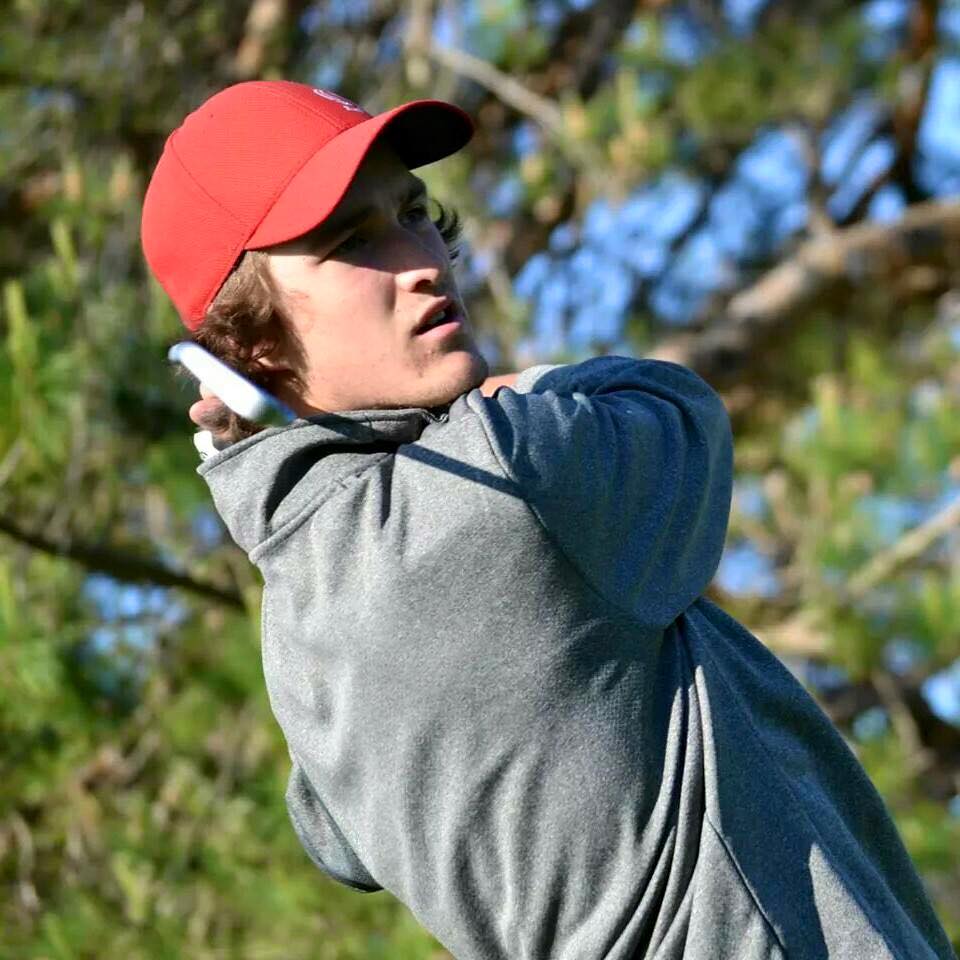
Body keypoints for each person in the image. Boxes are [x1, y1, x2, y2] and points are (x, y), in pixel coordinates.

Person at [141, 81, 956, 960]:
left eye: (413, 212)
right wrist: (514, 395)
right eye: (353, 241)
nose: (419, 259)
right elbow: (681, 416)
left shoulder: (296, 638)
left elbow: (333, 836)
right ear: (249, 349)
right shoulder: (507, 480)